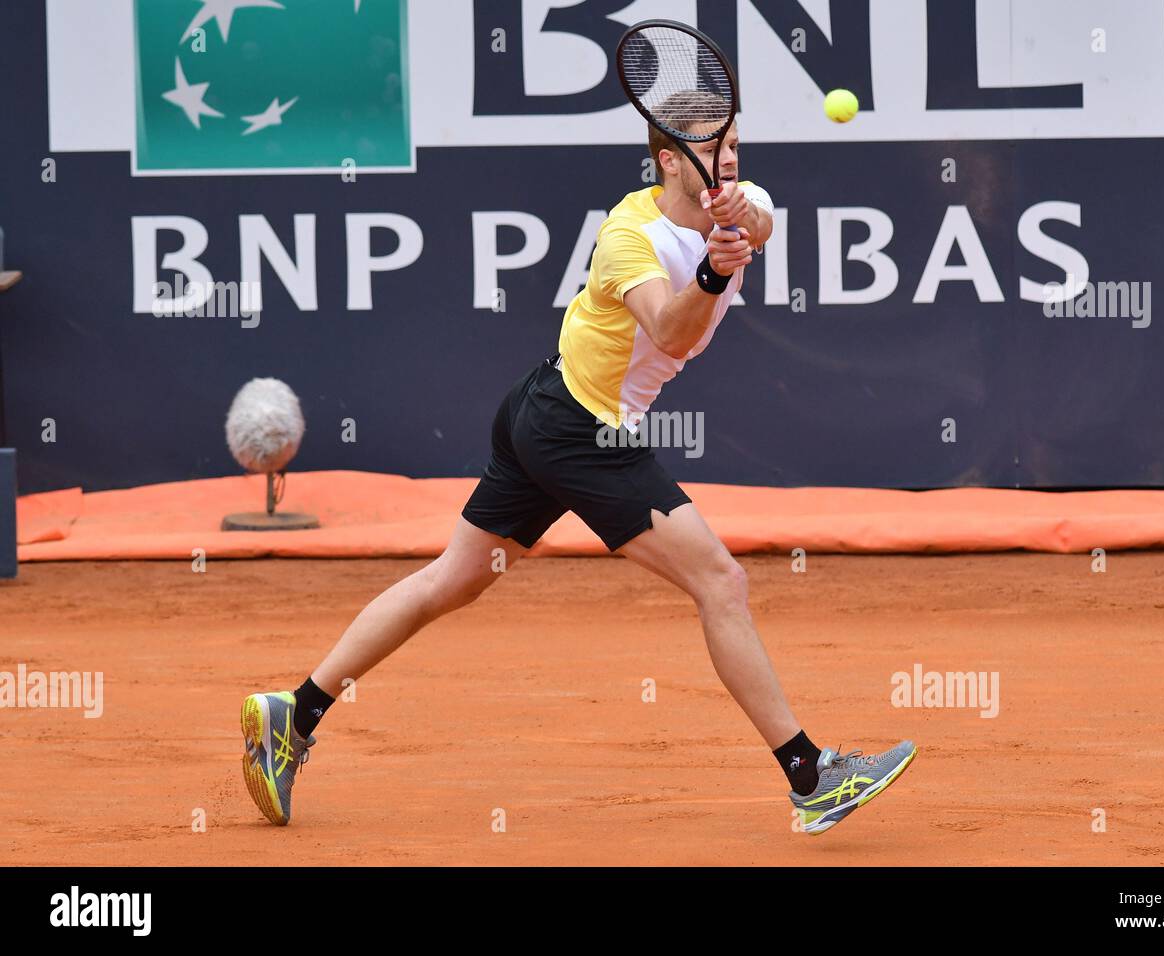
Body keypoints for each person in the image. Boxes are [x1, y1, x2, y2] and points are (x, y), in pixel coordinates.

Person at [240, 94, 916, 835]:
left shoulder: (737, 197)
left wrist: (741, 223)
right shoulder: (629, 236)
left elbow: (761, 218)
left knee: (452, 580)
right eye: (711, 149)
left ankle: (293, 713)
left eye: (733, 147)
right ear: (668, 160)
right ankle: (809, 774)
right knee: (721, 579)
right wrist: (715, 275)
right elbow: (670, 327)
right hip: (580, 431)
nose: (727, 160)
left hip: (546, 405)